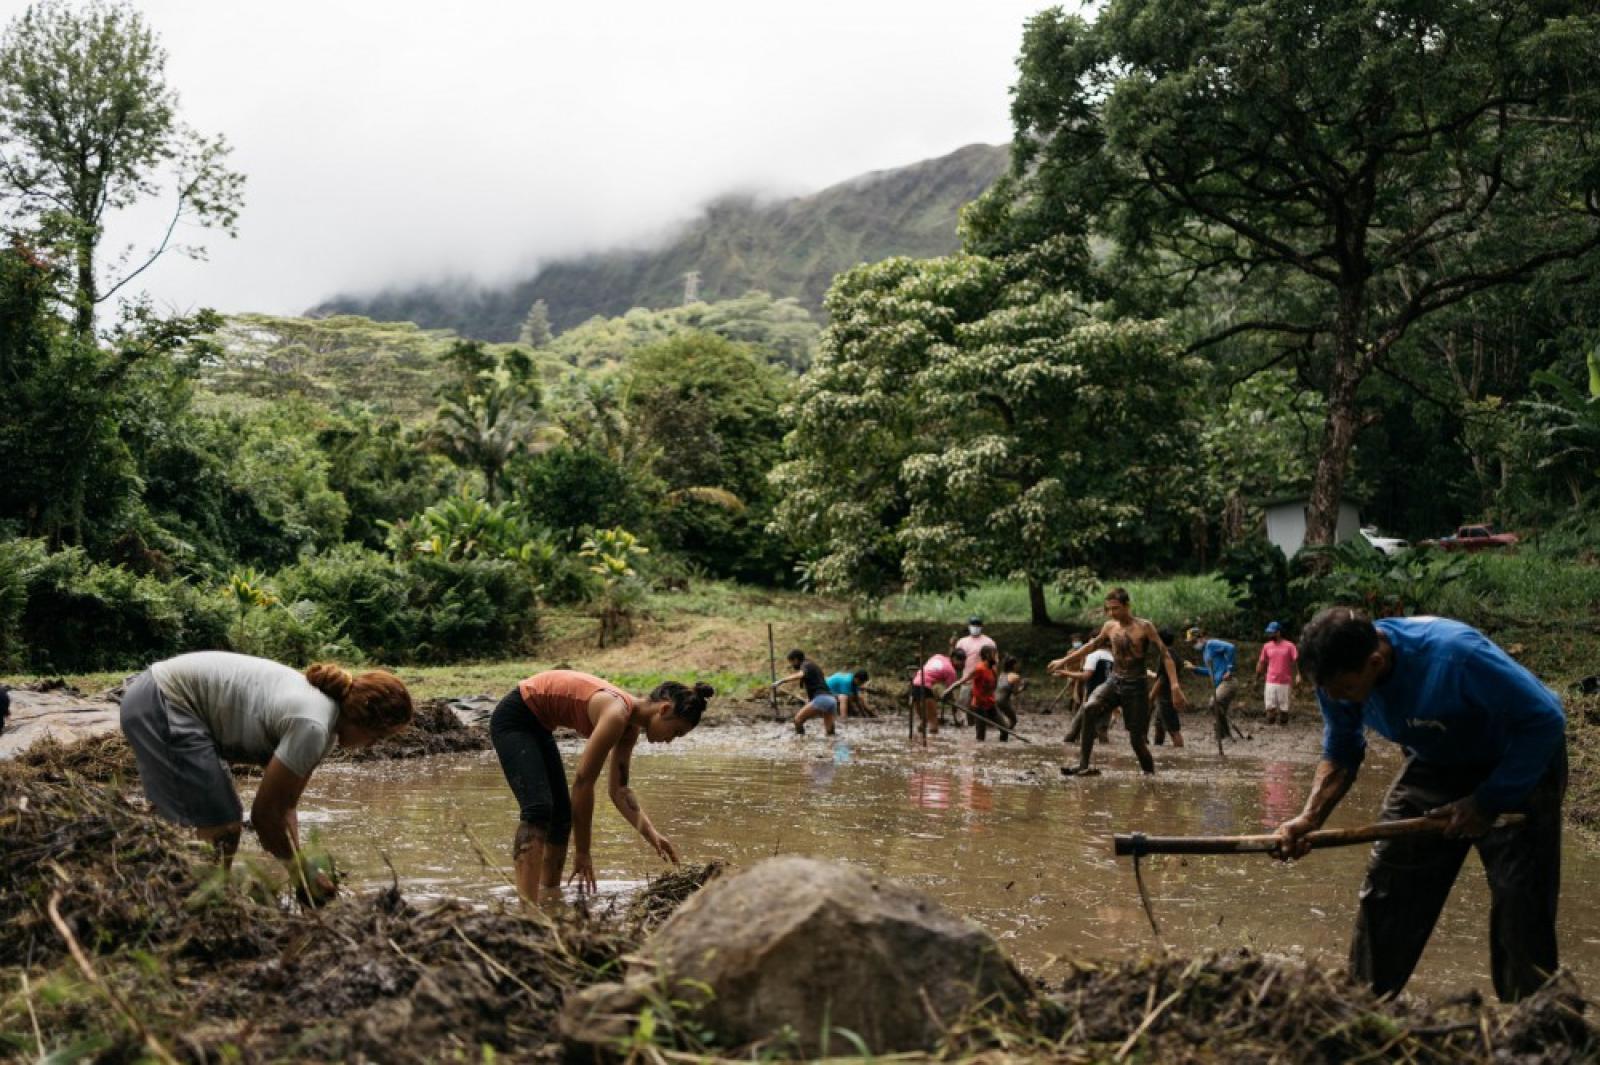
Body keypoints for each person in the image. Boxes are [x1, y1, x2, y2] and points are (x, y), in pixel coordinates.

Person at [1272, 608, 1566, 1003]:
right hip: (1436, 758)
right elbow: (1342, 749)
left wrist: (1487, 802)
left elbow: (1546, 720)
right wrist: (1310, 817)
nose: (1335, 699)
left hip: (1516, 759)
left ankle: (1534, 1024)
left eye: (1344, 690)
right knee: (1390, 884)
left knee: (1520, 903)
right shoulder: (1336, 678)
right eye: (1327, 691)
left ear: (1375, 662)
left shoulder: (1455, 656)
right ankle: (1363, 1008)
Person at [119, 651, 414, 896]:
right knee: (221, 826)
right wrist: (301, 874)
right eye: (380, 737)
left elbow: (284, 807)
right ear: (365, 719)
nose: (373, 746)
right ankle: (199, 905)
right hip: (164, 701)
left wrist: (302, 870)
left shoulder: (325, 727)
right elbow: (265, 816)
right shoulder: (313, 725)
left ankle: (196, 898)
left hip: (167, 701)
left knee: (218, 820)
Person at [491, 669, 711, 903]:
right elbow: (583, 783)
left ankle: (548, 895)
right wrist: (583, 852)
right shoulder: (616, 715)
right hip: (515, 717)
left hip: (539, 724)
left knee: (561, 816)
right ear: (664, 709)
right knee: (538, 810)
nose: (669, 741)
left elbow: (620, 790)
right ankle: (528, 908)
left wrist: (652, 833)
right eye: (675, 732)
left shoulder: (630, 728)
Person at [1053, 588, 1188, 776]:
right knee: (1089, 707)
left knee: (1136, 741)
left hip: (1136, 686)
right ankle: (1083, 765)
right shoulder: (1109, 626)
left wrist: (1174, 686)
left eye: (1115, 608)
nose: (1111, 613)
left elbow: (1165, 655)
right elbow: (1091, 645)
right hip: (1114, 681)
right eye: (1108, 609)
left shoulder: (1144, 627)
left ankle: (1150, 775)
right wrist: (1064, 661)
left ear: (1127, 606)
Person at [1187, 626, 1239, 755]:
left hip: (1227, 682)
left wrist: (1230, 669)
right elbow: (1210, 671)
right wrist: (1195, 669)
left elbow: (1231, 648)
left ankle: (1225, 735)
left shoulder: (1211, 644)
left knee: (1213, 704)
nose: (1194, 645)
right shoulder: (1205, 652)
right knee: (1218, 712)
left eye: (1194, 642)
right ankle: (1224, 736)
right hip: (1220, 684)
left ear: (1201, 637)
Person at [772, 649, 838, 736]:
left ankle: (801, 742)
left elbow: (800, 674)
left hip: (822, 699)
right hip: (831, 700)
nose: (791, 665)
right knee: (830, 732)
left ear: (795, 659)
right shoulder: (813, 665)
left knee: (798, 720)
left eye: (791, 662)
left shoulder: (805, 664)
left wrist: (781, 681)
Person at [911, 648, 964, 736]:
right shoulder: (951, 671)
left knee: (922, 721)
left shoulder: (937, 656)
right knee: (933, 722)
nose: (962, 665)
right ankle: (933, 745)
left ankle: (918, 745)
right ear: (954, 659)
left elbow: (931, 673)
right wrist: (954, 709)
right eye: (961, 662)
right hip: (925, 687)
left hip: (915, 684)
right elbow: (950, 692)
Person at [1256, 621, 1300, 725]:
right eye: (1269, 633)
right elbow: (1262, 662)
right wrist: (1257, 676)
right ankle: (1270, 725)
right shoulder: (1267, 646)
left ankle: (1283, 725)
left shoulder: (1289, 646)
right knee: (1270, 707)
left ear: (1278, 632)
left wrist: (1298, 674)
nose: (1270, 635)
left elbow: (1296, 661)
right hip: (1270, 680)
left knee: (1284, 709)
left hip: (1285, 681)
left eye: (1272, 632)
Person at [1150, 629, 1186, 747]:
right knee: (1159, 725)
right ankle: (1158, 748)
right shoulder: (1175, 654)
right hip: (1166, 696)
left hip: (1166, 697)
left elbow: (1162, 679)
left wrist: (1151, 697)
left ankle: (1179, 753)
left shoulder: (1165, 655)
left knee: (1173, 729)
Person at [969, 645, 1001, 741]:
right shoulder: (979, 668)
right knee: (981, 737)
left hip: (990, 703)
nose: (997, 657)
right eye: (995, 654)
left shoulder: (993, 670)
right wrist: (947, 691)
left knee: (1005, 729)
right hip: (979, 705)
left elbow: (993, 687)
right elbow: (964, 680)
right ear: (987, 655)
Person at [992, 656, 1025, 743]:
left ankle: (1004, 732)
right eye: (1017, 664)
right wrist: (1024, 688)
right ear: (1013, 665)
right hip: (1003, 701)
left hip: (994, 700)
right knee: (1014, 720)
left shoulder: (1001, 674)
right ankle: (1005, 735)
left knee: (1000, 720)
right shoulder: (1015, 677)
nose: (1018, 666)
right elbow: (1015, 692)